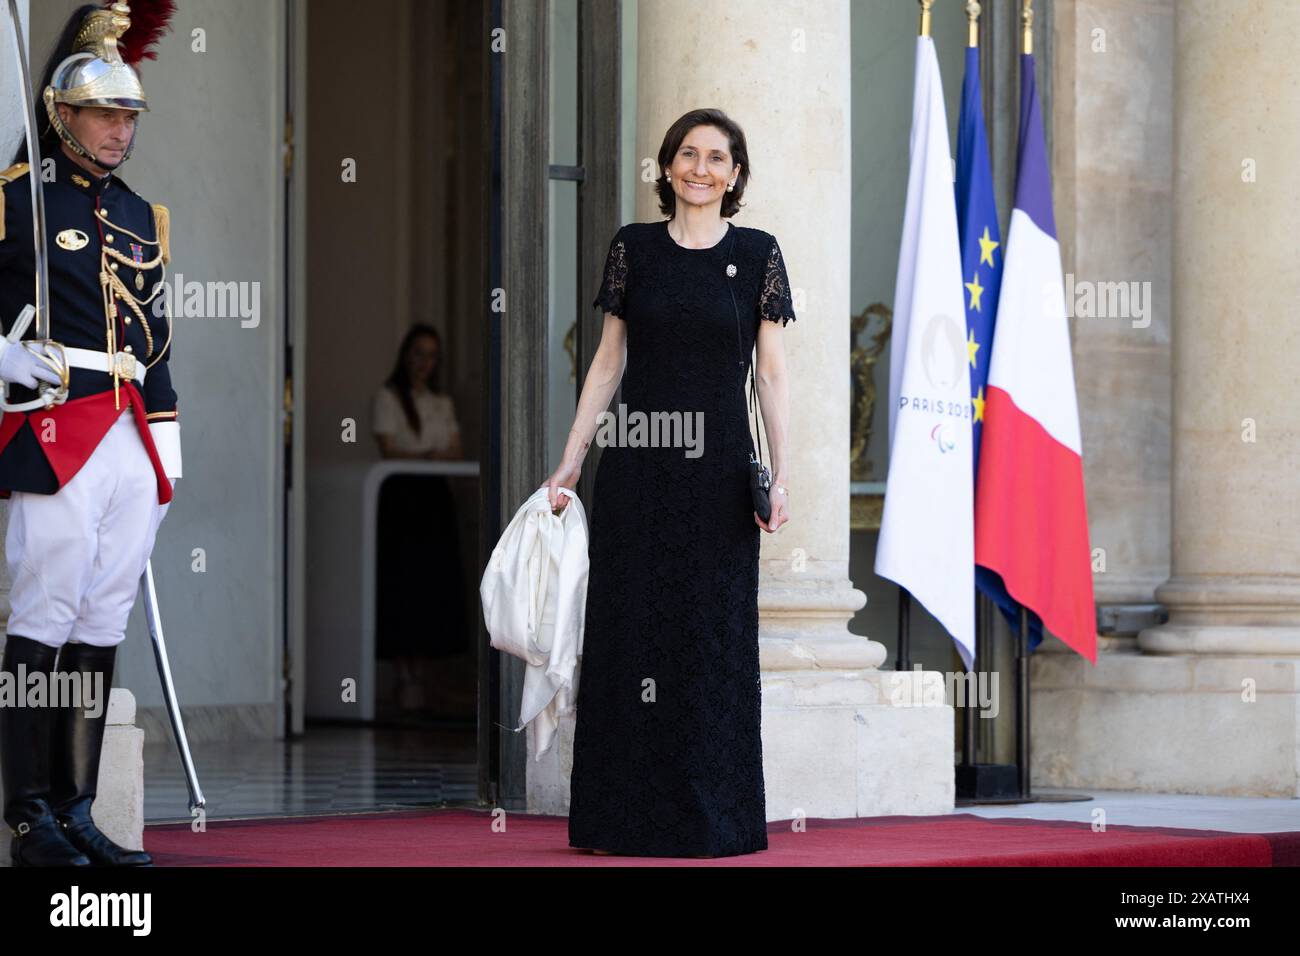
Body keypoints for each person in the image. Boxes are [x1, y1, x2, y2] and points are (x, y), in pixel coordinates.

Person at [553, 109, 795, 858]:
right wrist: (571, 459)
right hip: (638, 466)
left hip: (720, 475)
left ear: (735, 174)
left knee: (709, 640)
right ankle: (619, 820)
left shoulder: (758, 254)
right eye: (688, 154)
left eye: (717, 158)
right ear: (667, 167)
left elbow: (770, 374)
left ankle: (711, 820)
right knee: (630, 636)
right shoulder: (634, 248)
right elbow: (608, 361)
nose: (700, 168)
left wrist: (782, 474)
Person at [0, 1, 178, 867]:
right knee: (45, 611)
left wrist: (167, 450)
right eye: (104, 114)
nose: (120, 130)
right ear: (61, 115)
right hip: (54, 429)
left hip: (130, 432)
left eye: (128, 115)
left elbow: (158, 336)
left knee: (104, 616)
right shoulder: (16, 201)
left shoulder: (142, 213)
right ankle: (26, 815)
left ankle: (74, 809)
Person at [371, 324, 469, 717]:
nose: (424, 363)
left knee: (432, 585)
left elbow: (457, 450)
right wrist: (430, 455)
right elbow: (389, 448)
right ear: (405, 355)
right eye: (418, 353)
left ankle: (425, 681)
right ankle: (404, 678)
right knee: (403, 584)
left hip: (434, 499)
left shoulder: (441, 402)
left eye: (431, 356)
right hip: (401, 497)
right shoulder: (388, 397)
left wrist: (427, 456)